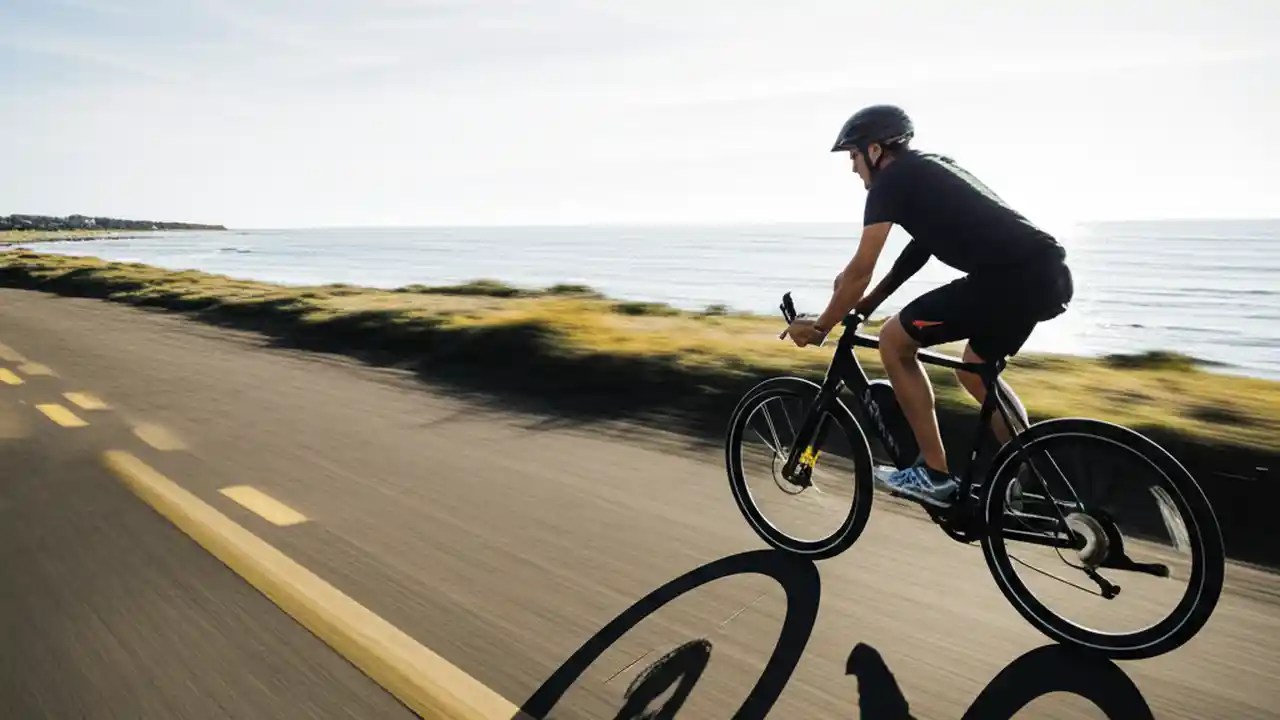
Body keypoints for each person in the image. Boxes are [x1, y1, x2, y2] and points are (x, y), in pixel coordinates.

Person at [783, 104, 1073, 508]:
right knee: (976, 371)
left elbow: (858, 270)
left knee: (894, 342)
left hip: (1007, 279)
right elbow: (919, 250)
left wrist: (821, 327)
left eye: (853, 156)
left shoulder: (891, 182)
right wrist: (868, 303)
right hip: (1047, 277)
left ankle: (934, 475)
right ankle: (1034, 477)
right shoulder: (927, 170)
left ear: (875, 151)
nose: (852, 169)